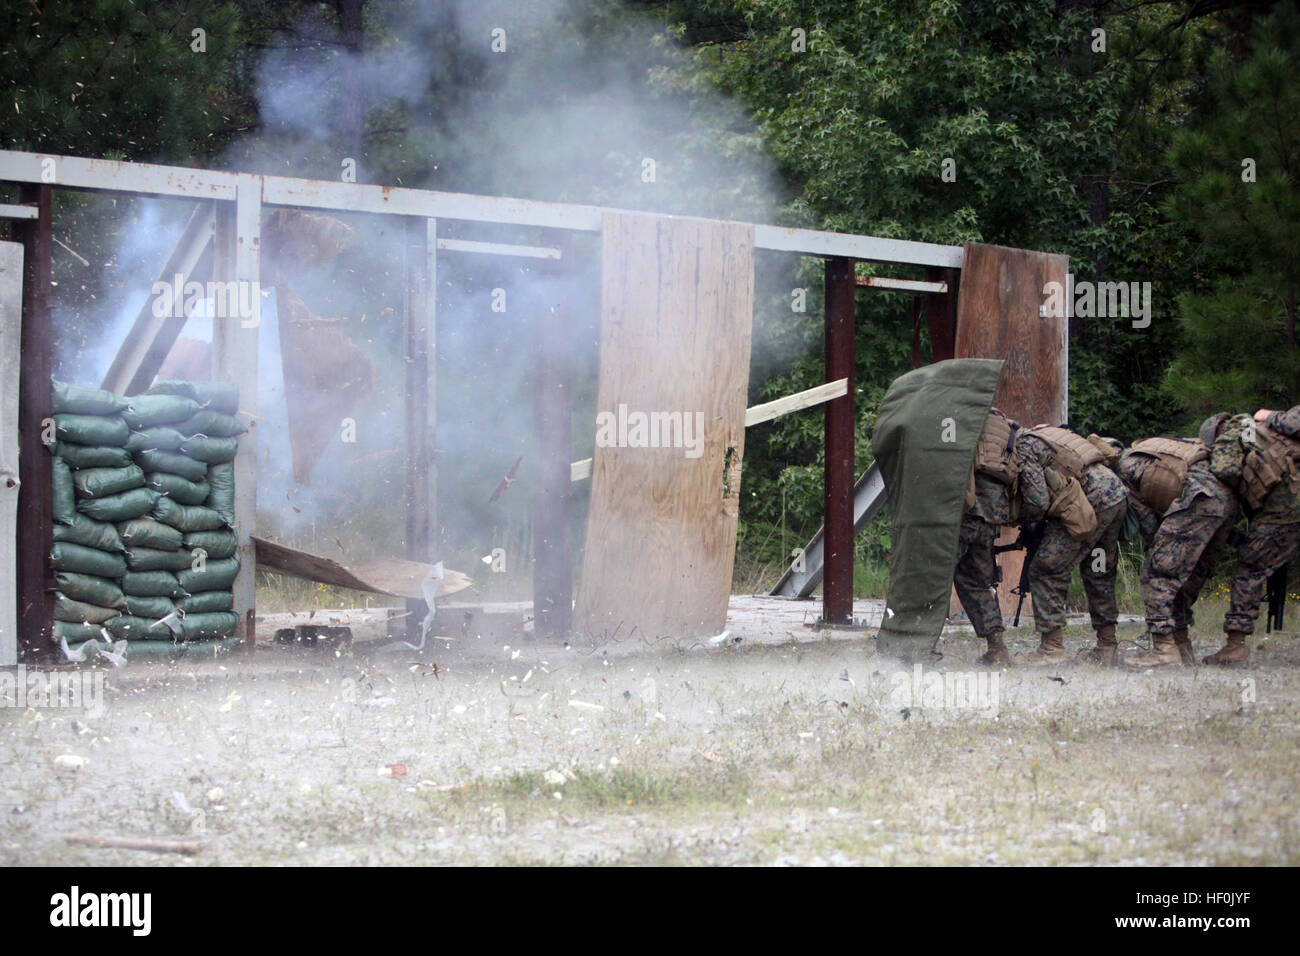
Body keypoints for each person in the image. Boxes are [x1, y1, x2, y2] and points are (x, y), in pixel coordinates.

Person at [1117, 415, 1237, 667]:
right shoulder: (1156, 450)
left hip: (1198, 500)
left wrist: (1158, 551)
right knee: (1187, 576)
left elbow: (1149, 525)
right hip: (1226, 502)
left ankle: (1163, 649)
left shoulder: (1124, 471)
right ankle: (1182, 647)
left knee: (1158, 573)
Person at [1012, 424, 1128, 665]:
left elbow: (1037, 501)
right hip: (1115, 494)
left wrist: (1026, 522)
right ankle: (1107, 645)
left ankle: (1052, 649)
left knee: (1046, 569)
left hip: (1088, 502)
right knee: (1098, 569)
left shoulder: (1023, 446)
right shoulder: (1050, 434)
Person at [1203, 406, 1300, 664]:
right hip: (1288, 507)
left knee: (1251, 569)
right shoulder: (1271, 435)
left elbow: (1225, 470)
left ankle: (1235, 645)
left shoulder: (1238, 430)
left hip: (1284, 510)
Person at [954, 408, 1019, 665]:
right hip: (993, 515)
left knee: (933, 575)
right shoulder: (1005, 426)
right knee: (976, 582)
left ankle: (919, 646)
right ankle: (997, 649)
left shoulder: (961, 417)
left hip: (964, 511)